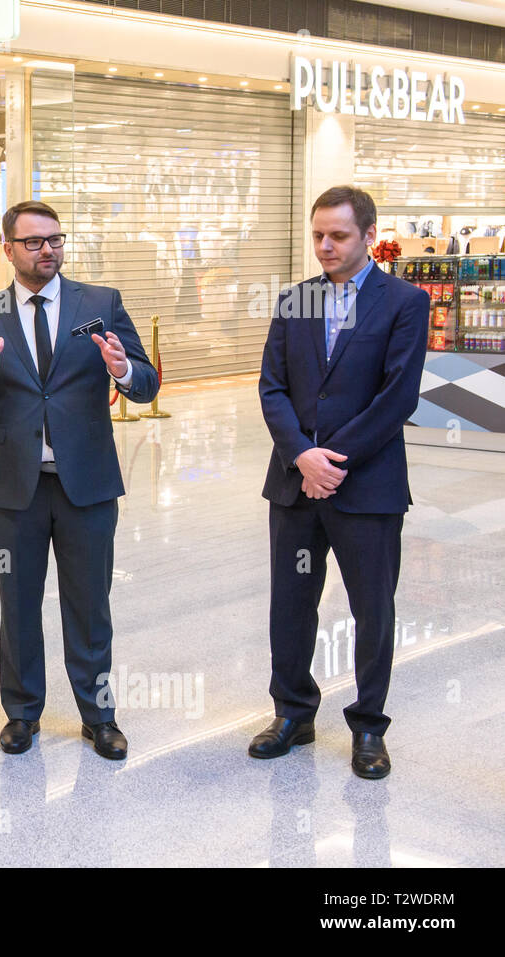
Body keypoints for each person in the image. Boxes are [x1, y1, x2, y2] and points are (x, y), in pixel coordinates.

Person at [0, 200, 158, 757]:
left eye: (55, 239)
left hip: (86, 485)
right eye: (34, 242)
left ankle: (100, 714)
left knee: (90, 605)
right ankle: (21, 712)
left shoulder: (101, 303)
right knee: (17, 603)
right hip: (16, 489)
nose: (47, 250)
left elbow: (147, 383)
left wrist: (123, 370)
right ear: (7, 248)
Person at [252, 185, 429, 780]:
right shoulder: (294, 301)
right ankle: (293, 713)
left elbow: (397, 395)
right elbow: (271, 387)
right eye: (318, 235)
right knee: (291, 604)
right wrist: (302, 457)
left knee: (371, 608)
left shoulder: (404, 301)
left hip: (367, 488)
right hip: (295, 486)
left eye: (339, 236)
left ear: (369, 237)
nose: (325, 246)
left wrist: (334, 462)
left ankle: (369, 726)